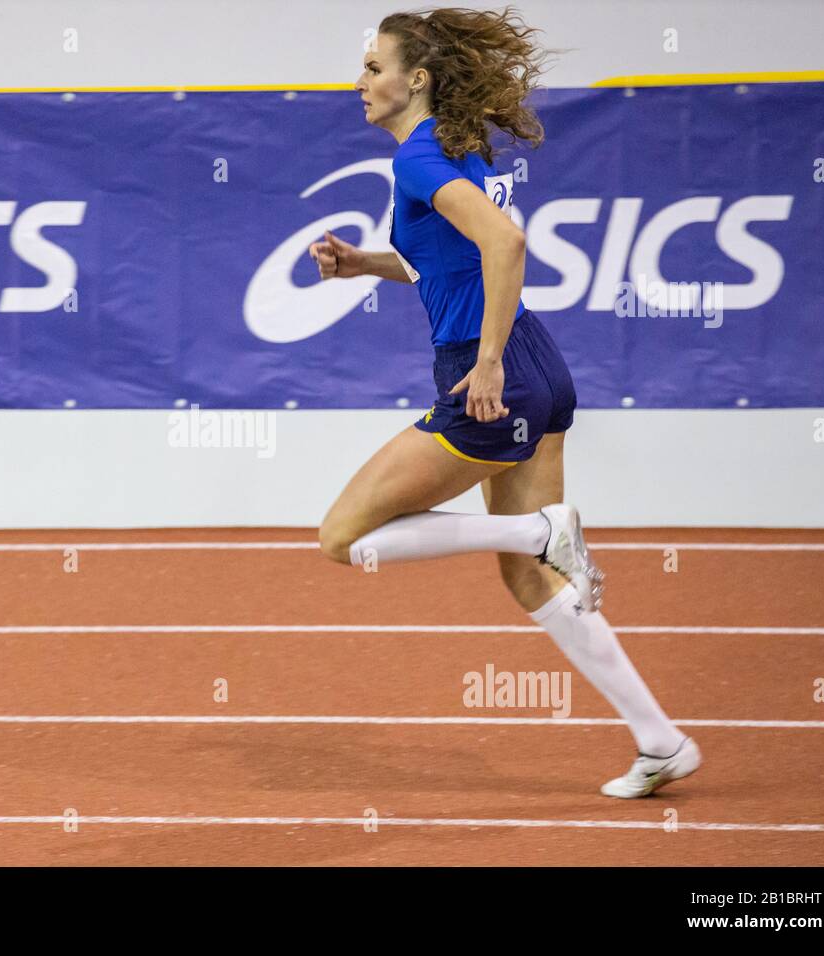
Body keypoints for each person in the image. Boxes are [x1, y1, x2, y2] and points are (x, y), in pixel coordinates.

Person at [308, 7, 700, 797]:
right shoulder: (440, 151)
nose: (361, 82)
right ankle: (661, 740)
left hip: (491, 372)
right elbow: (449, 262)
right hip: (538, 364)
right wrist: (364, 266)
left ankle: (538, 528)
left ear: (415, 80)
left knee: (343, 536)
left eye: (374, 67)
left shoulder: (419, 161)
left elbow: (506, 245)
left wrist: (484, 364)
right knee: (530, 579)